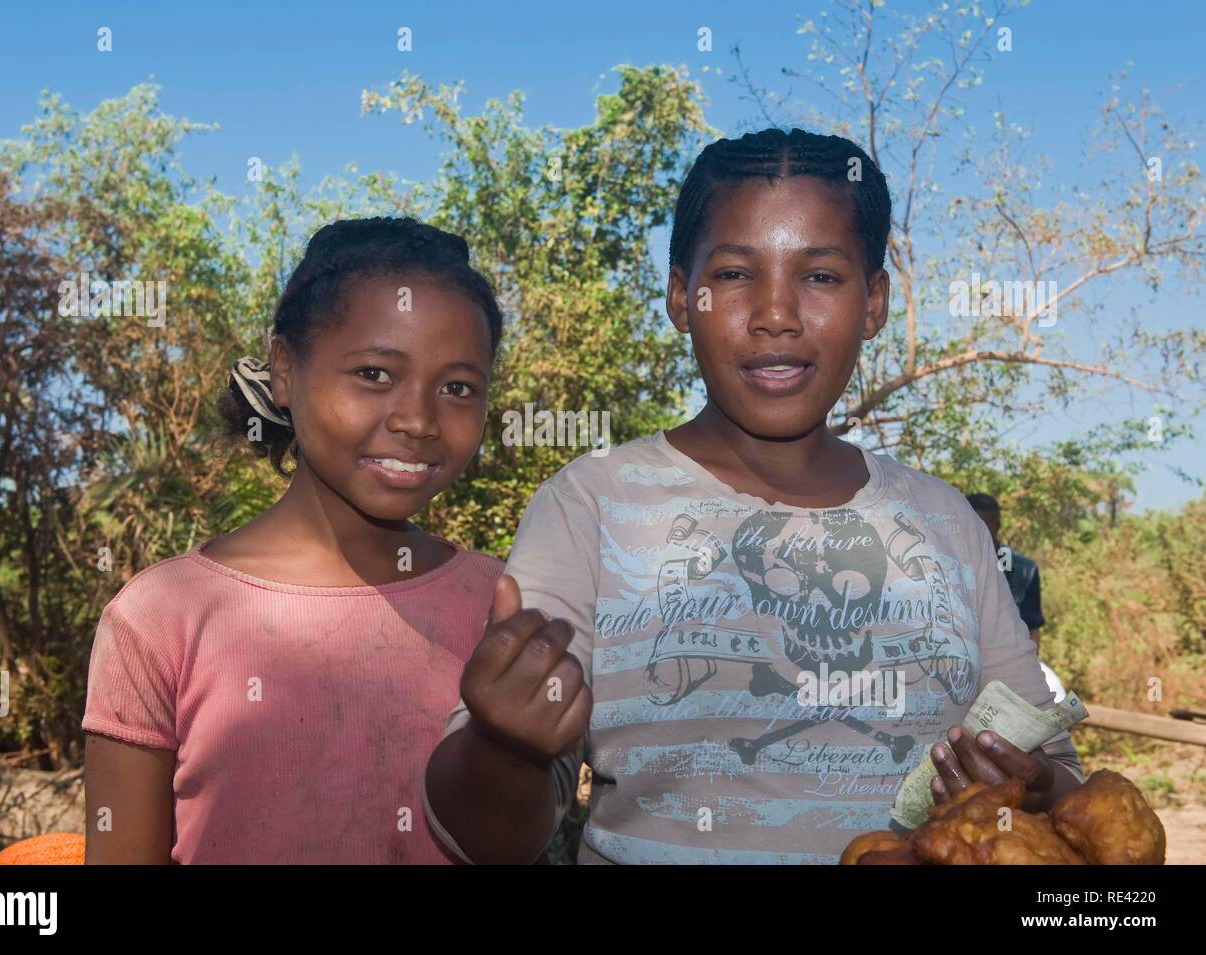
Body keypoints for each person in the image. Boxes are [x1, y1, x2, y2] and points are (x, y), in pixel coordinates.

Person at [423, 128, 1084, 864]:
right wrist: (505, 748)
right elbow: (483, 837)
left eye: (822, 277)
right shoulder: (590, 505)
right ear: (681, 296)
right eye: (735, 273)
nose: (777, 313)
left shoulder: (946, 523)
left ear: (874, 303)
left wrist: (1032, 784)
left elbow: (1058, 772)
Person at [82, 218, 505, 863]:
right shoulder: (160, 617)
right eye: (372, 373)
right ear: (284, 370)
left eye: (457, 388)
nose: (418, 420)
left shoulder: (501, 604)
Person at [966, 493, 1045, 645]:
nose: (975, 536)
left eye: (983, 529)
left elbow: (1032, 630)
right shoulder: (945, 565)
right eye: (969, 529)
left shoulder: (1024, 571)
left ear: (996, 527)